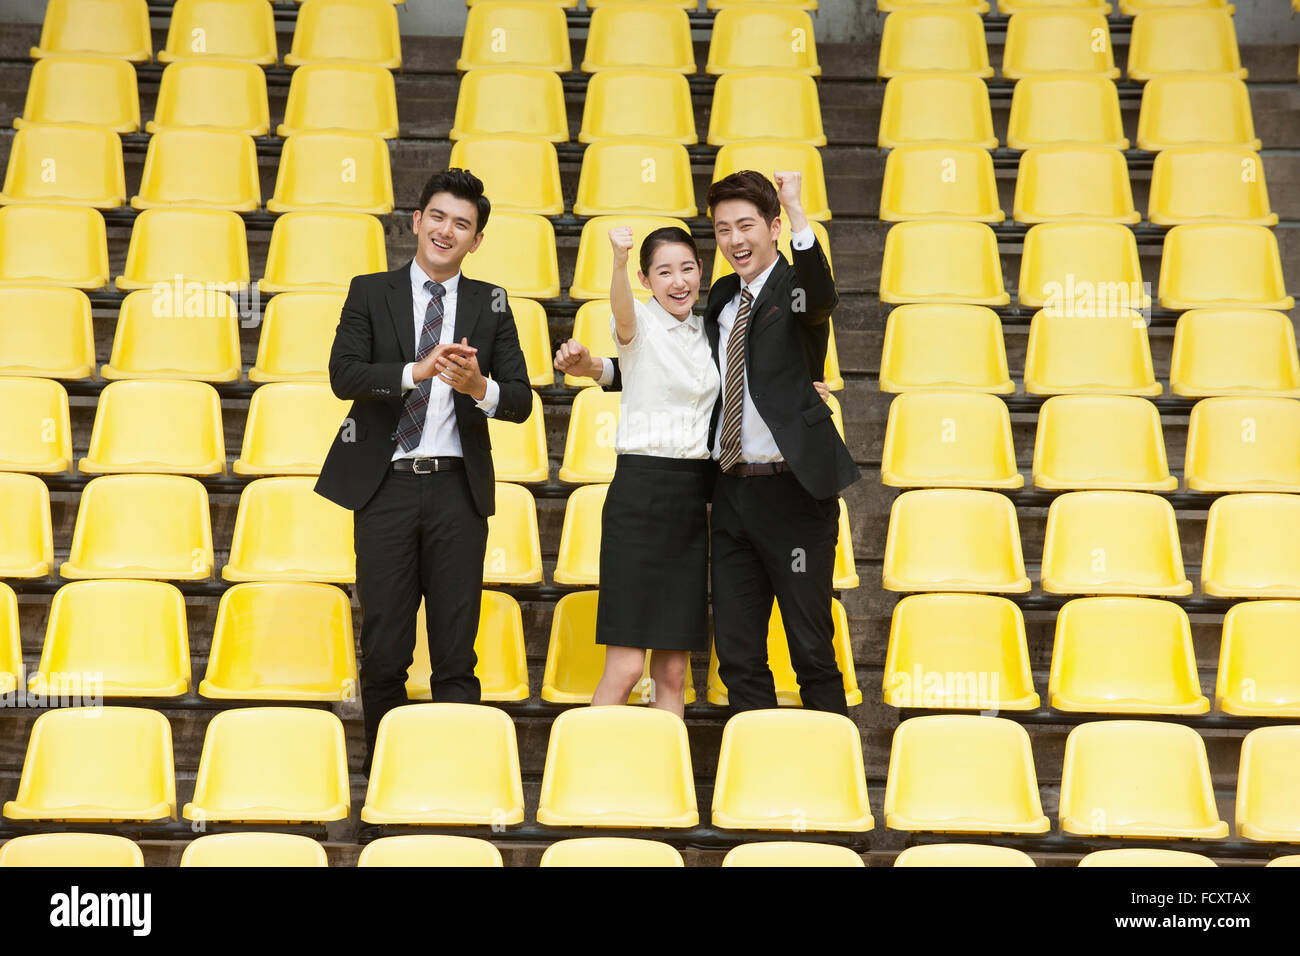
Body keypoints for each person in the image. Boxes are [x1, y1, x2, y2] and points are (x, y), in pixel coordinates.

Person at [556, 170, 860, 716]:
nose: (735, 240)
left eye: (747, 226)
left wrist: (796, 211)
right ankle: (756, 771)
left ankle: (830, 772)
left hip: (793, 493)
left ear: (771, 228)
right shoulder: (718, 298)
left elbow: (820, 298)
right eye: (723, 230)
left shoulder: (797, 286)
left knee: (810, 645)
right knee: (739, 655)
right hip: (728, 495)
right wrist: (599, 368)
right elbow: (669, 368)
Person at [315, 169, 532, 773]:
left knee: (456, 650)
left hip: (457, 492)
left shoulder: (492, 301)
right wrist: (418, 370)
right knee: (384, 649)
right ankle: (387, 779)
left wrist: (478, 385)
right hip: (384, 487)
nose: (446, 230)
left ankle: (453, 778)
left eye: (462, 224)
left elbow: (519, 399)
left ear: (476, 240)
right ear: (416, 221)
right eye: (437, 217)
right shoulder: (369, 290)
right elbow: (344, 375)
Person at [584, 224, 720, 718]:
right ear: (646, 278)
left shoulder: (712, 333)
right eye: (664, 271)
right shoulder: (637, 326)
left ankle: (667, 786)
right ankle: (583, 781)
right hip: (639, 496)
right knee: (623, 669)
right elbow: (621, 311)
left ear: (701, 272)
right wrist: (617, 263)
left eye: (687, 268)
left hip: (689, 499)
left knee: (673, 674)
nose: (678, 281)